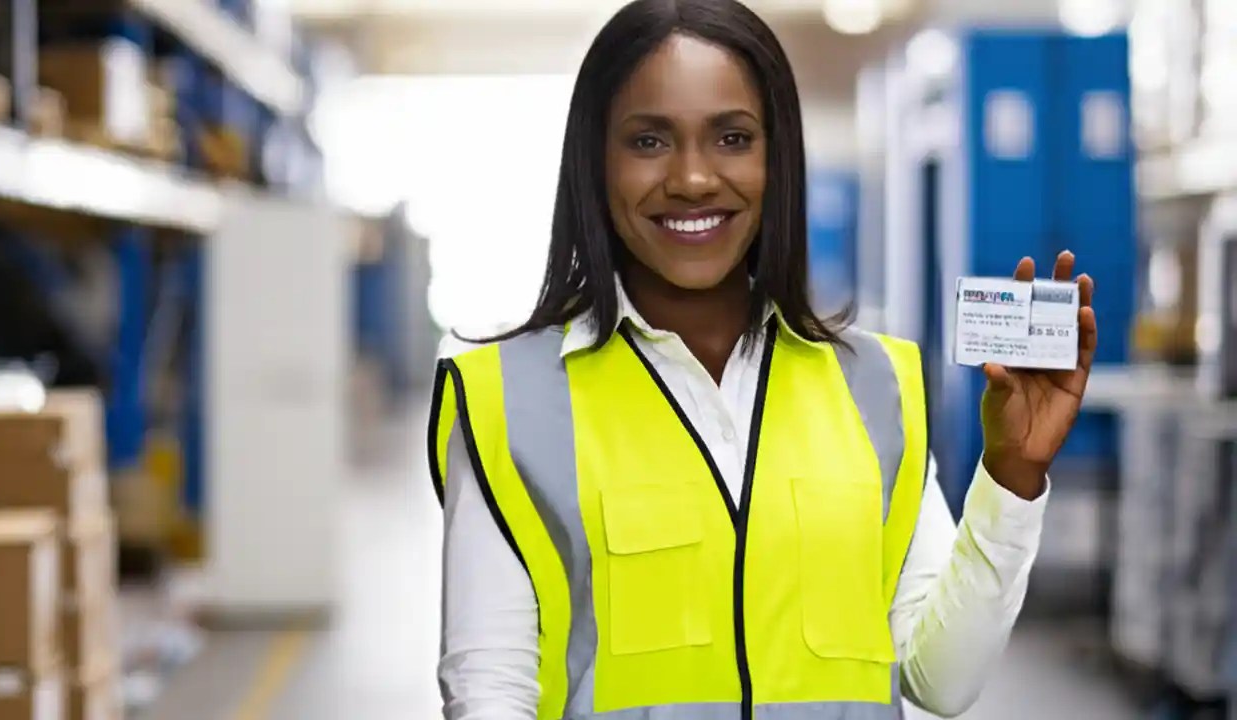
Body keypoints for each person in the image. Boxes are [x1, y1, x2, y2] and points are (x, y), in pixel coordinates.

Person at [427, 0, 1098, 718]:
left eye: (732, 138)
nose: (692, 178)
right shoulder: (512, 403)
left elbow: (941, 678)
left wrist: (1012, 476)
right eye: (649, 141)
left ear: (777, 159)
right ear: (596, 162)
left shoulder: (874, 387)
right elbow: (490, 692)